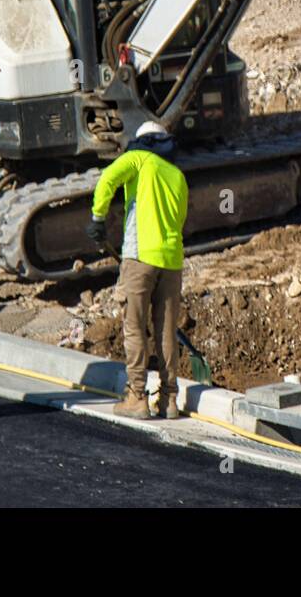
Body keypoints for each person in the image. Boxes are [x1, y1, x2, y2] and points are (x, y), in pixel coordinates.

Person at [88, 121, 188, 419]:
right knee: (166, 330)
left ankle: (136, 396)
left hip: (140, 256)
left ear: (143, 140)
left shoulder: (140, 157)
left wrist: (97, 217)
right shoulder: (177, 175)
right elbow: (181, 218)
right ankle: (169, 400)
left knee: (134, 325)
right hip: (171, 260)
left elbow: (108, 178)